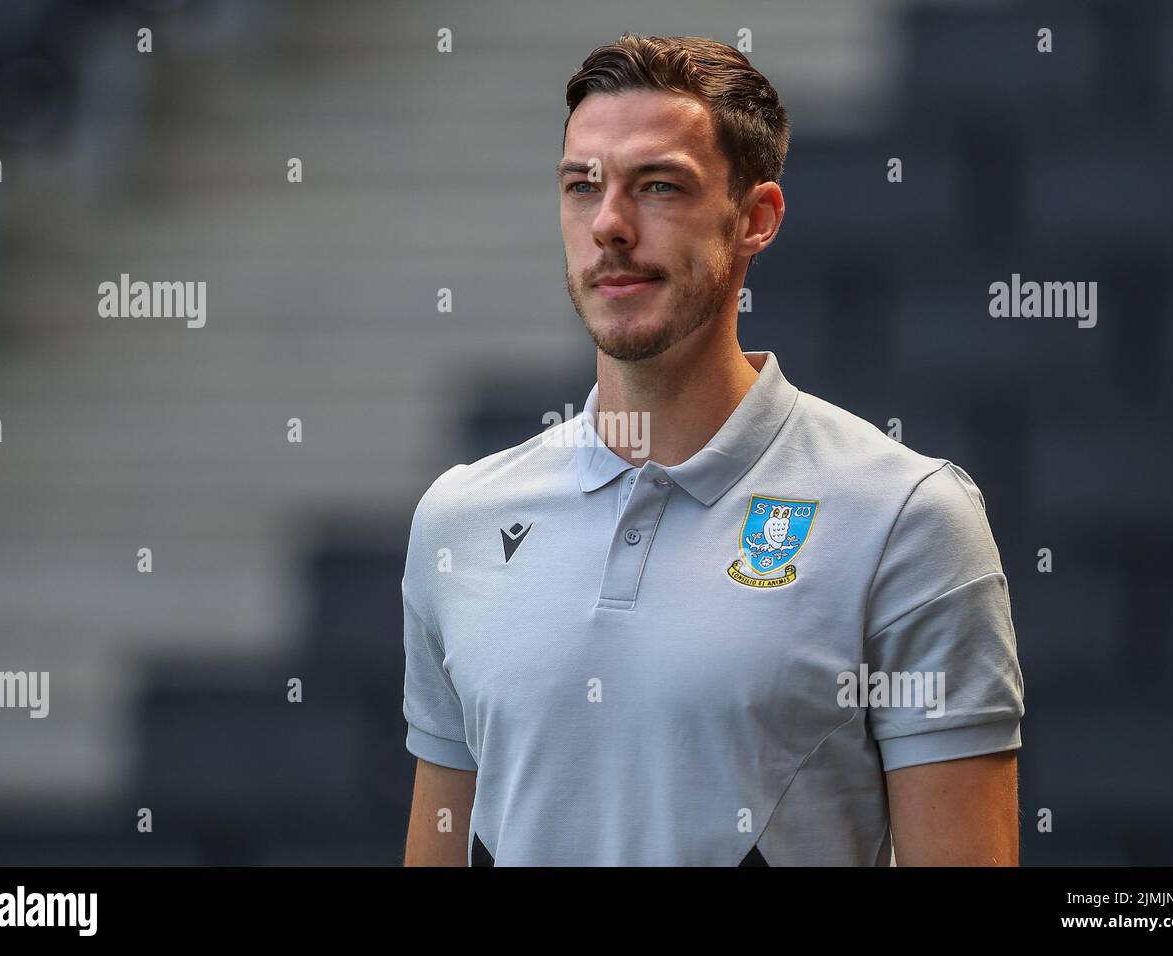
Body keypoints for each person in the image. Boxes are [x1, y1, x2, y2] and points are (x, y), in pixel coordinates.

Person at [401, 33, 1024, 866]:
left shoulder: (907, 519)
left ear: (756, 218)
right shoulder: (459, 518)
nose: (611, 226)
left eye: (659, 186)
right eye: (583, 187)